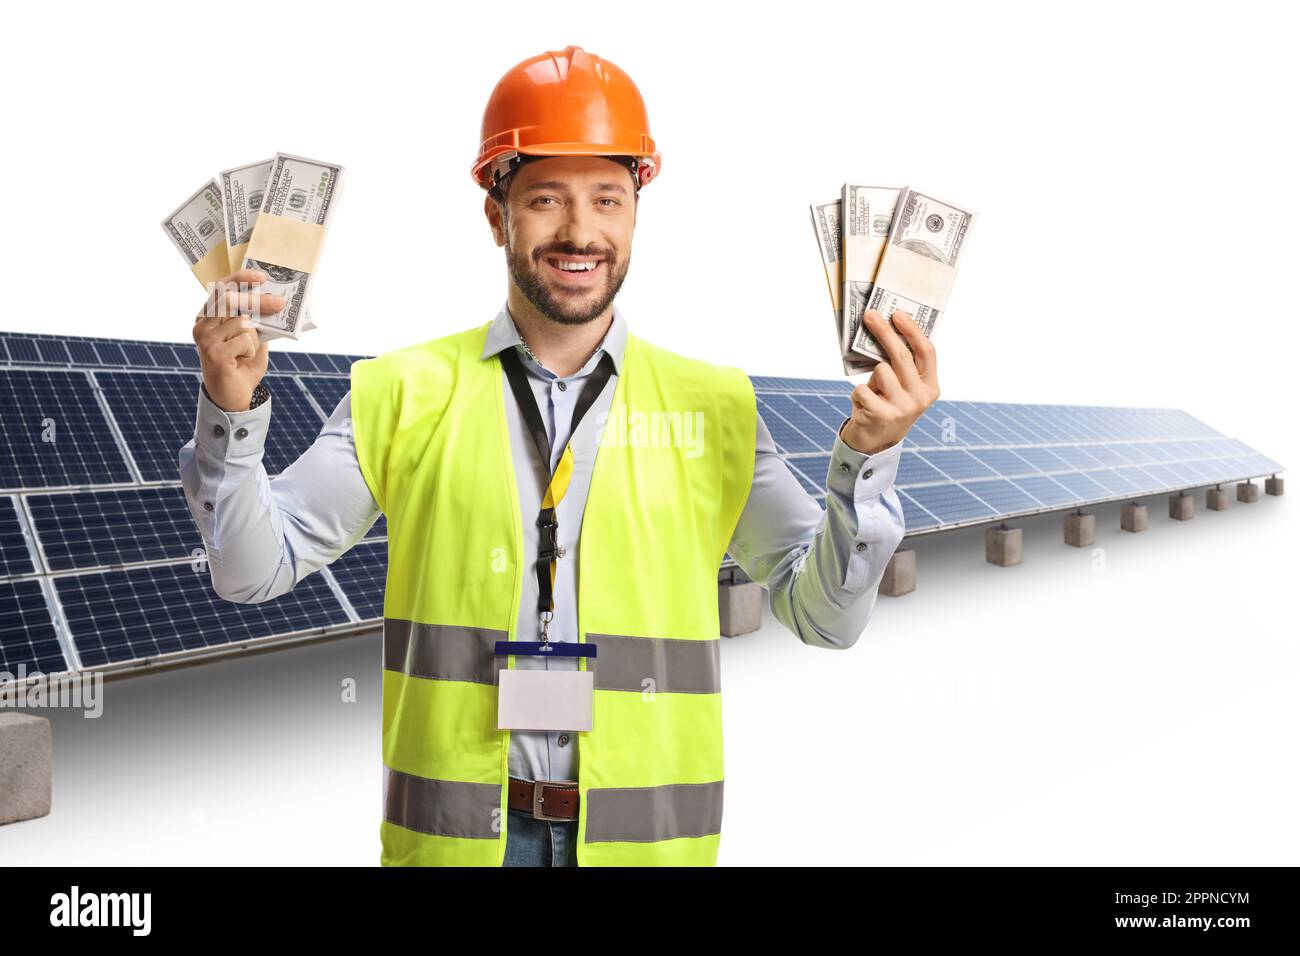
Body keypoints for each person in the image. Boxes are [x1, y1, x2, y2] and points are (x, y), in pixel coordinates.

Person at [178, 45, 939, 867]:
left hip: (648, 848)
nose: (581, 231)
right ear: (496, 216)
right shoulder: (396, 393)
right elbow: (251, 571)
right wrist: (231, 407)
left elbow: (825, 618)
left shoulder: (714, 408)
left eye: (607, 198)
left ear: (635, 213)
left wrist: (870, 456)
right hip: (457, 844)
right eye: (546, 198)